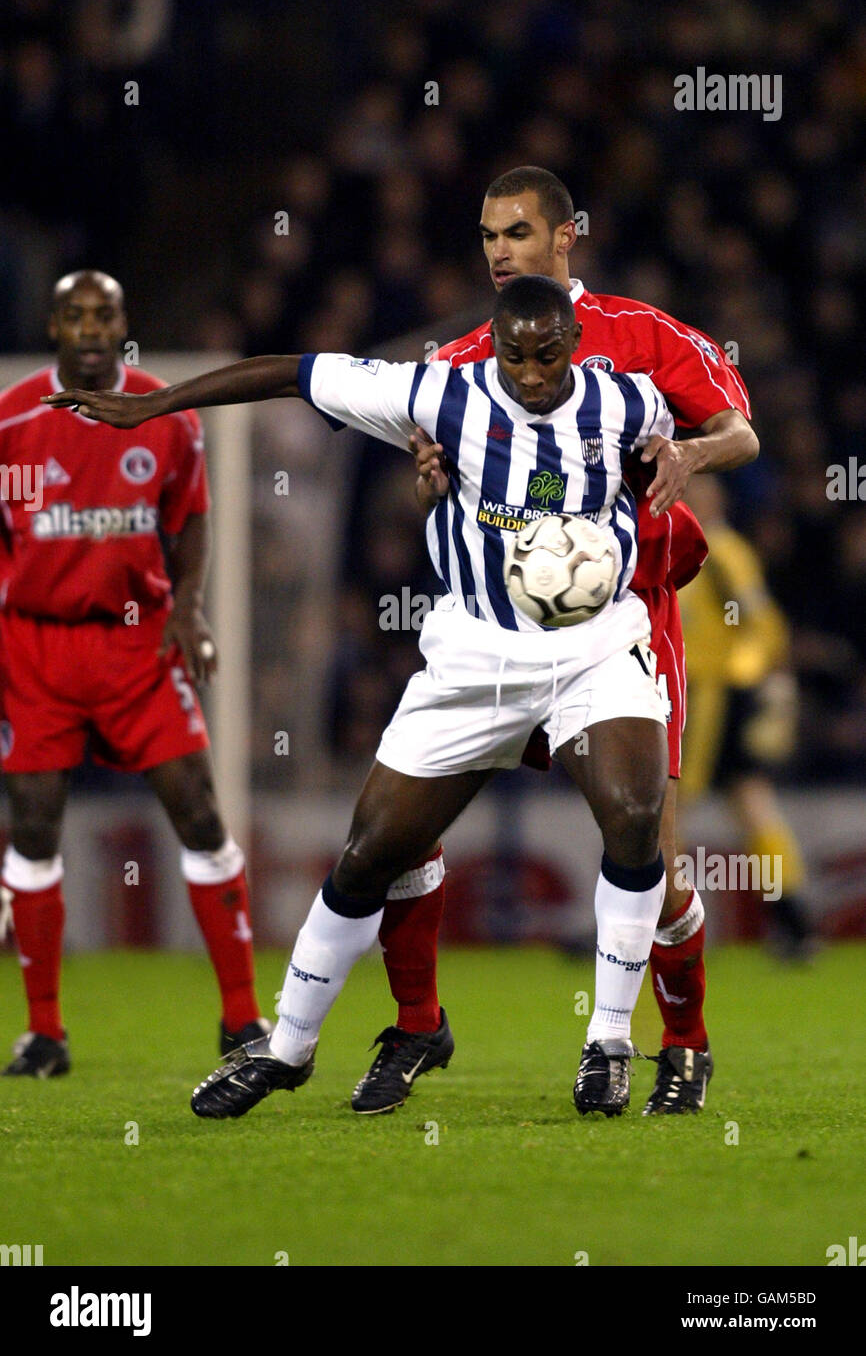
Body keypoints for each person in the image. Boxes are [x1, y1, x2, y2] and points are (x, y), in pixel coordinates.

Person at [44, 274, 759, 1120]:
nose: (529, 374)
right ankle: (288, 1046)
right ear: (493, 344)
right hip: (471, 658)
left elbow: (726, 439)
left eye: (546, 355)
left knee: (638, 817)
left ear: (574, 345)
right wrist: (154, 406)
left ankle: (607, 1041)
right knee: (369, 854)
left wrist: (683, 458)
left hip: (594, 649)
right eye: (514, 355)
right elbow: (290, 371)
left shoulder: (628, 403)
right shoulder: (437, 393)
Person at [359, 166, 756, 1118]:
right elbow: (426, 453)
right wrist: (426, 470)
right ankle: (417, 1023)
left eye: (518, 233)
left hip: (621, 621)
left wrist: (692, 452)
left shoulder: (645, 335)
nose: (499, 252)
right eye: (489, 236)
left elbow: (739, 430)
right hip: (496, 633)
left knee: (646, 852)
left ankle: (682, 1043)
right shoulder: (465, 358)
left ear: (567, 235)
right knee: (404, 832)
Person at [0, 270, 270, 1078]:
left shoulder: (167, 415)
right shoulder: (10, 421)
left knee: (197, 810)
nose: (89, 328)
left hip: (137, 645)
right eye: (74, 316)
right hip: (36, 646)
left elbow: (190, 521)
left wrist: (189, 607)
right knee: (36, 823)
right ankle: (45, 1033)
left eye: (104, 314)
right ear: (53, 328)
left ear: (123, 324)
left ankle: (242, 1018)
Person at [678, 475, 814, 958]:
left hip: (711, 696)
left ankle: (636, 919)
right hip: (703, 692)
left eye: (699, 492)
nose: (690, 497)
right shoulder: (686, 545)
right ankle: (794, 919)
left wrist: (742, 676)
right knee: (750, 802)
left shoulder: (723, 552)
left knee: (668, 805)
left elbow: (764, 626)